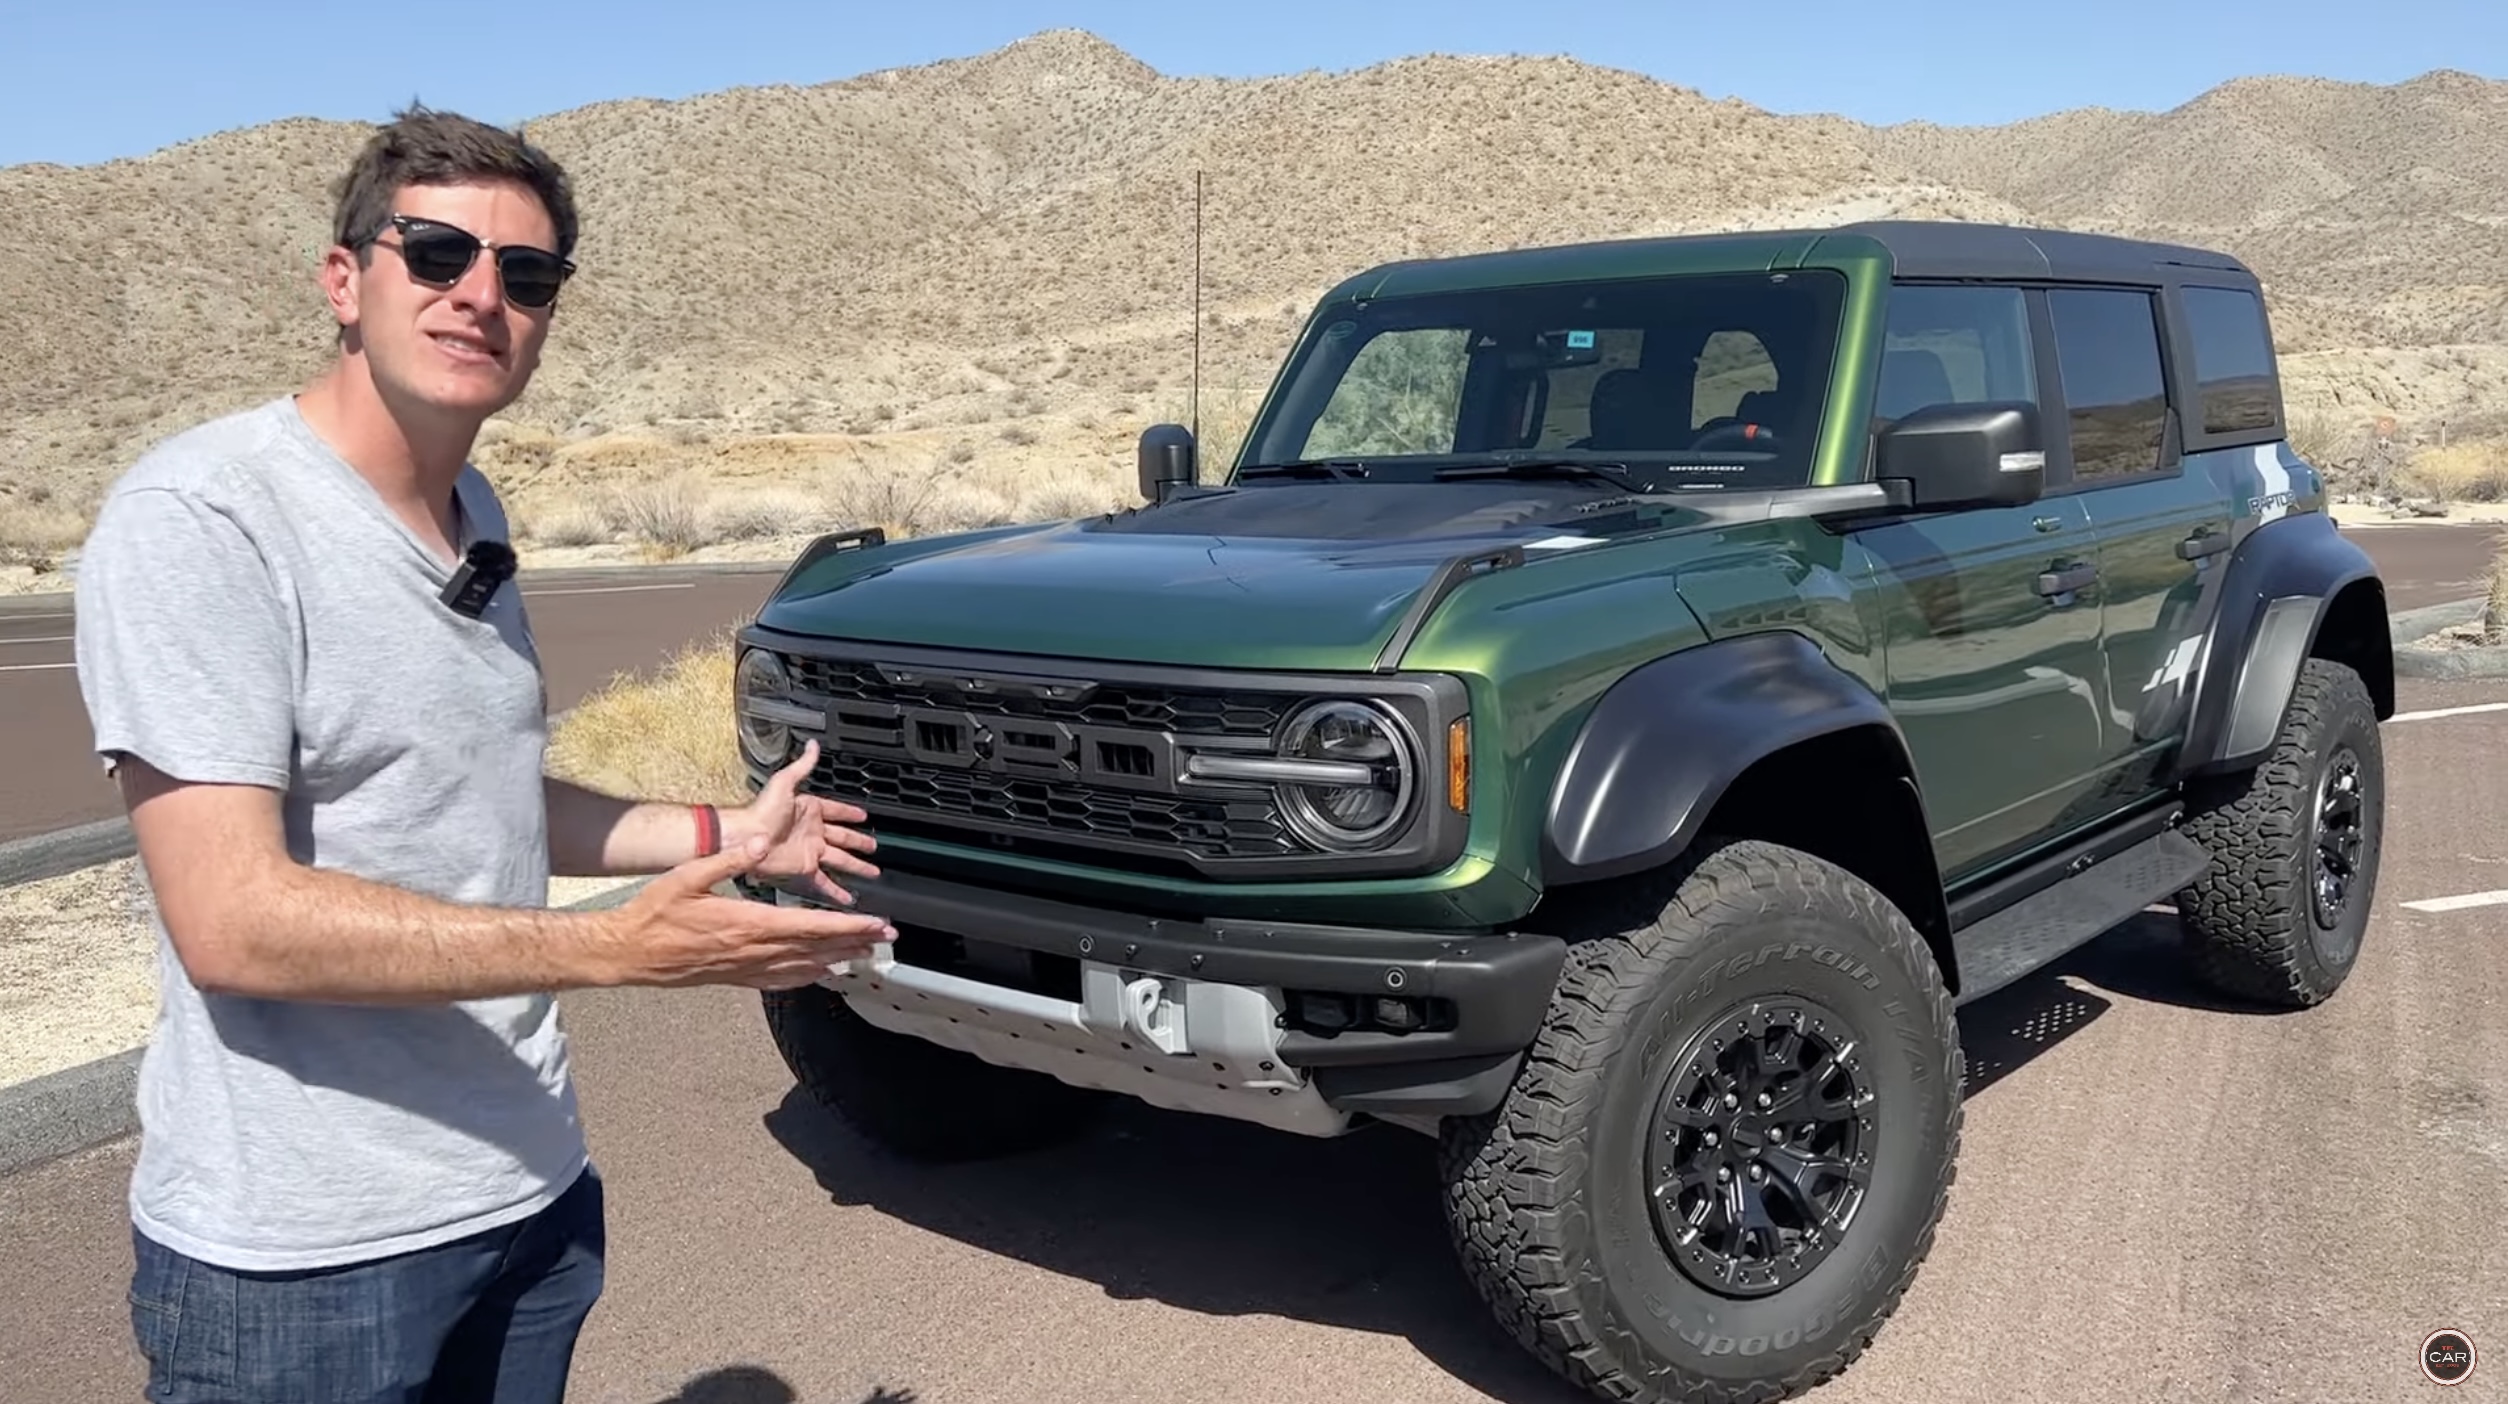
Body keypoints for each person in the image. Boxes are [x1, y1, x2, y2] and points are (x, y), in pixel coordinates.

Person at [71, 103, 896, 1403]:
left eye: (525, 275)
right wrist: (615, 949)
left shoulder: (475, 517)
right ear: (345, 280)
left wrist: (726, 836)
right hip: (305, 1261)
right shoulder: (207, 519)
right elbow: (232, 920)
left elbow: (484, 795)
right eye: (437, 254)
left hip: (527, 1201)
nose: (480, 297)